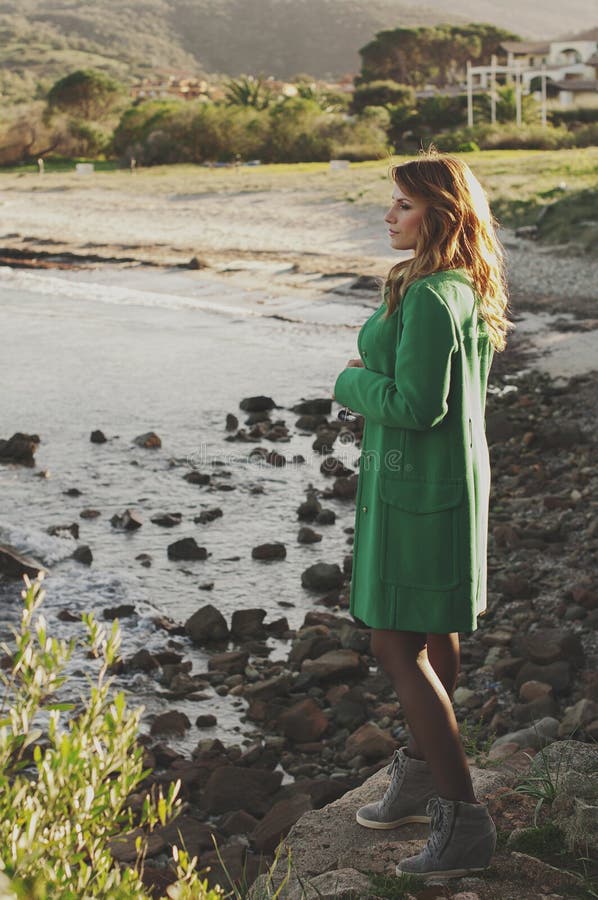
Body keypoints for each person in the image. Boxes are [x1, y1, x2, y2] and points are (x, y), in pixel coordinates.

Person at [332, 151, 510, 879]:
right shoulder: (452, 284)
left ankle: (463, 820)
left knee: (393, 646)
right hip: (441, 481)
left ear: (440, 212)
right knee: (433, 630)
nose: (388, 215)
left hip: (418, 487)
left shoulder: (435, 295)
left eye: (402, 205)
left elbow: (414, 405)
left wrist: (348, 381)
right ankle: (419, 770)